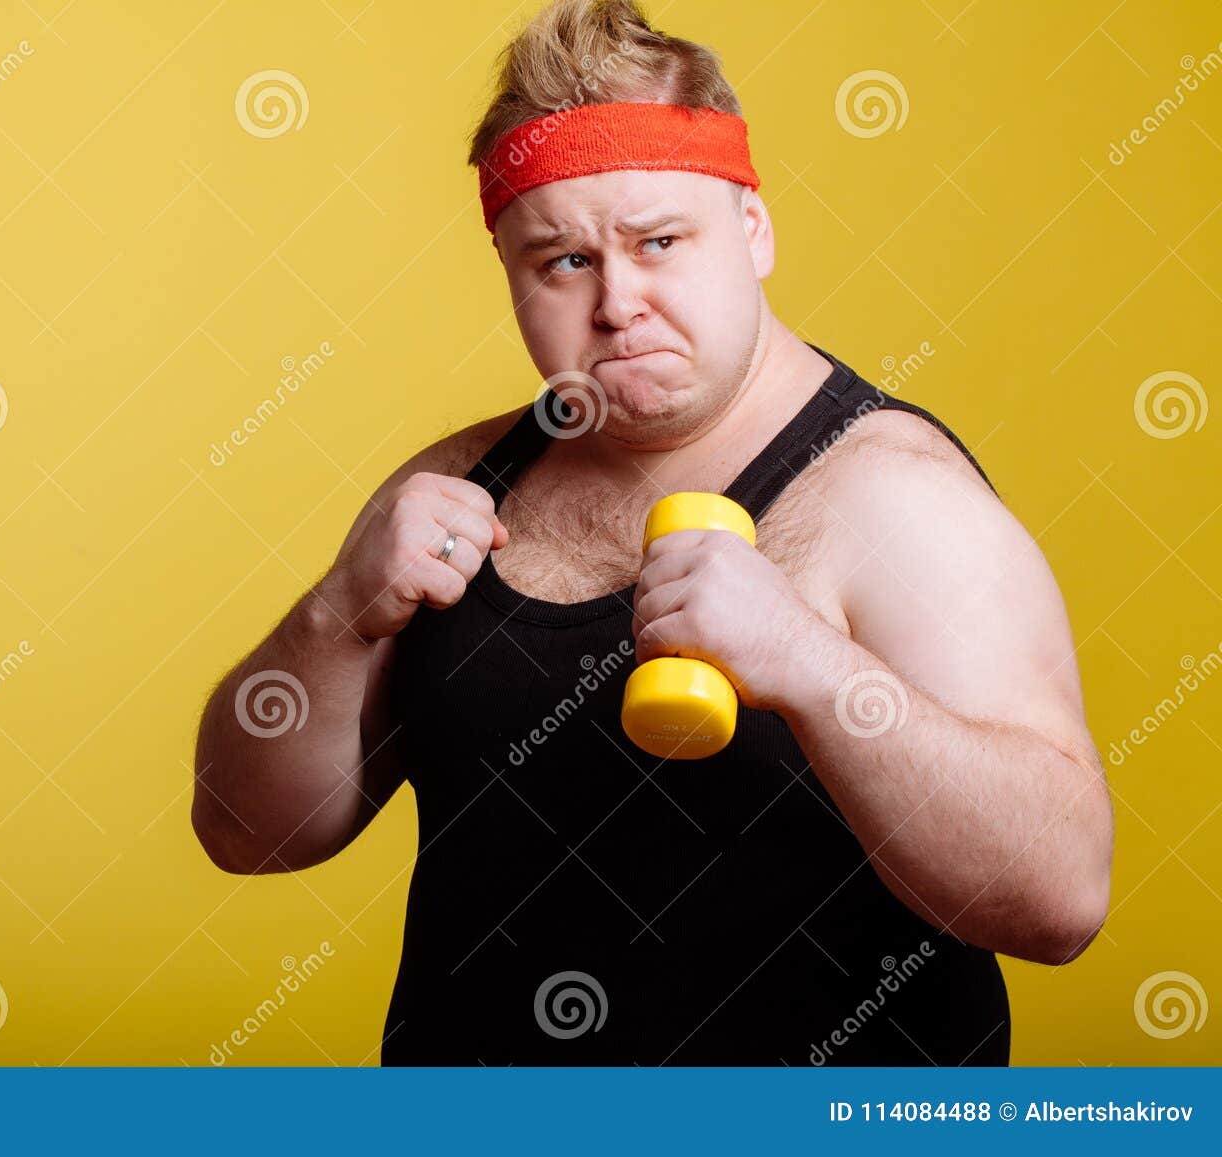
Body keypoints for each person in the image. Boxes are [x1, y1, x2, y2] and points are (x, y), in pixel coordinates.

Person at [192, 0, 1113, 1065]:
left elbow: (1057, 897)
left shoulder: (893, 496)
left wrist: (808, 666)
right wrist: (334, 616)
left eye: (659, 240)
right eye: (562, 262)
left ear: (754, 231)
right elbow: (245, 833)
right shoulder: (456, 483)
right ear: (510, 273)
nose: (618, 301)